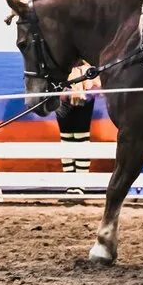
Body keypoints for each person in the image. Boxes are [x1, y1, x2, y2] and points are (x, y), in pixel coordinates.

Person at [56, 61, 101, 193]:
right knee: (66, 137)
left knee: (81, 135)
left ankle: (81, 184)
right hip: (63, 86)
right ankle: (70, 184)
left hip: (85, 85)